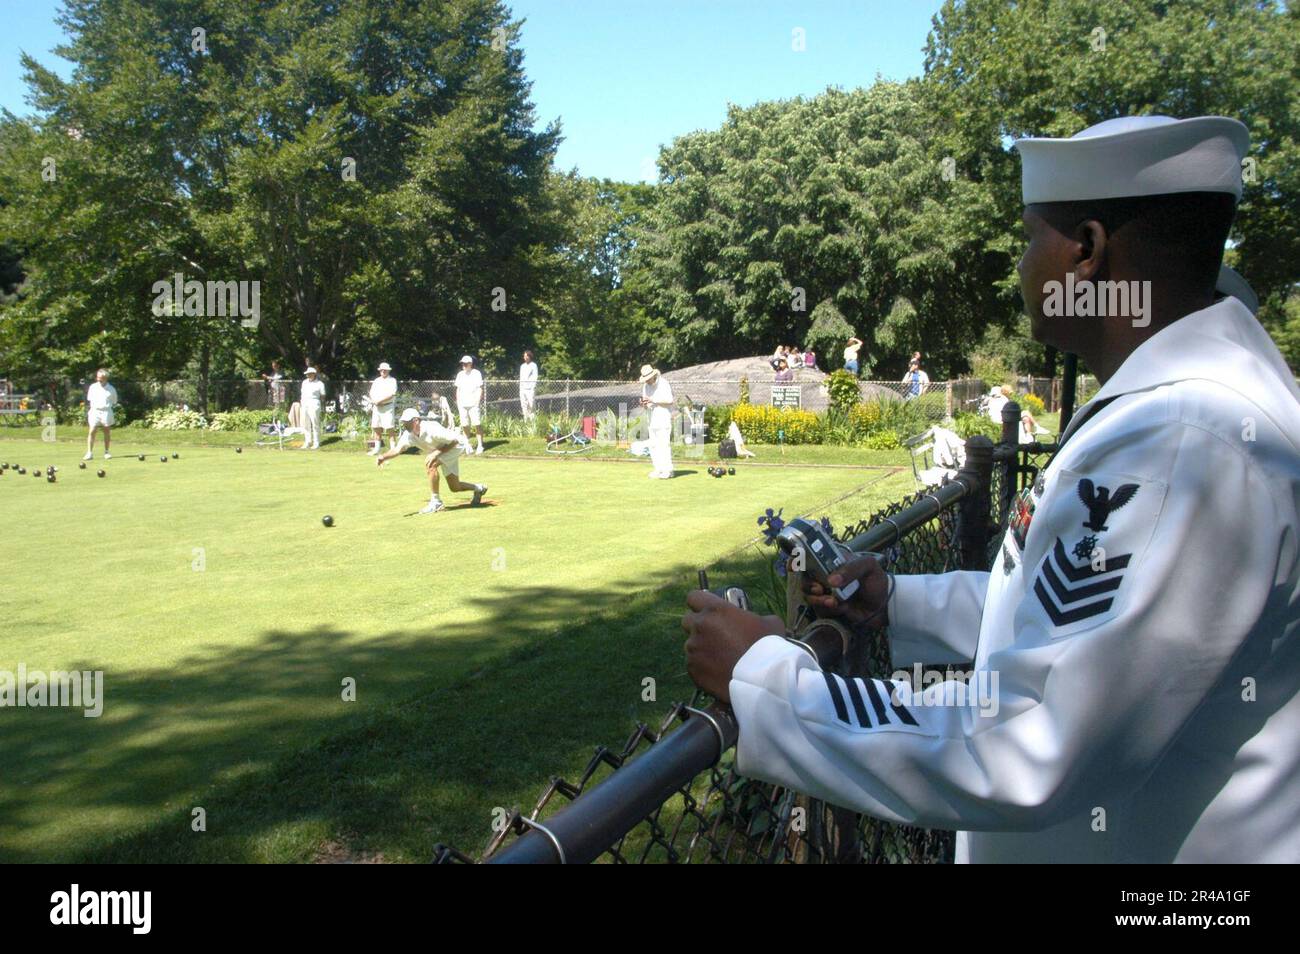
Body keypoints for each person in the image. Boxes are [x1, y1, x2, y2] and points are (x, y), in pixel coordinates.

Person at [681, 115, 1300, 862]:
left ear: (1086, 254)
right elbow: (1073, 617)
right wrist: (902, 603)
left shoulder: (1182, 443)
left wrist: (767, 680)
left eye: (1028, 239)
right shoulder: (1192, 413)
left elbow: (1028, 746)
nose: (1019, 268)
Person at [376, 408, 487, 514]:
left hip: (456, 445)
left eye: (407, 422)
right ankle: (478, 488)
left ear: (416, 420)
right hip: (445, 449)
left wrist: (436, 452)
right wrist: (383, 457)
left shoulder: (431, 429)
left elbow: (455, 441)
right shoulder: (408, 435)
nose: (404, 424)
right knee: (454, 487)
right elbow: (397, 449)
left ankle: (436, 502)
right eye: (403, 422)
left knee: (431, 463)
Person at [639, 364, 674, 479]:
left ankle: (668, 470)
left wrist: (653, 400)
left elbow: (669, 400)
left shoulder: (664, 383)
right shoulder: (645, 386)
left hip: (663, 418)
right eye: (646, 379)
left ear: (653, 376)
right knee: (653, 445)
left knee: (664, 444)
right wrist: (644, 404)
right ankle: (658, 469)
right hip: (651, 418)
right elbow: (647, 403)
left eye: (648, 379)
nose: (647, 381)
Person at [83, 368, 117, 460]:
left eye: (100, 378)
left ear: (106, 378)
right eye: (97, 377)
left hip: (106, 411)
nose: (98, 379)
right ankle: (89, 453)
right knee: (92, 430)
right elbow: (89, 399)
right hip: (94, 411)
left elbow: (114, 401)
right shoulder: (93, 387)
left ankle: (106, 452)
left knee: (106, 431)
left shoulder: (111, 389)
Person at [454, 355, 485, 454]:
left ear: (470, 364)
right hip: (462, 404)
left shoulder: (476, 373)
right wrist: (458, 401)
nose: (463, 365)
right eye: (462, 363)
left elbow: (480, 388)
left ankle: (480, 445)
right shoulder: (460, 375)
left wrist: (477, 401)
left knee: (477, 424)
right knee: (465, 425)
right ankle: (467, 445)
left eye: (465, 363)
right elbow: (458, 389)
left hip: (473, 404)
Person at [367, 362, 398, 456]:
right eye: (382, 370)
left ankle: (393, 450)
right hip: (377, 407)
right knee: (377, 428)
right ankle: (376, 449)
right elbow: (371, 393)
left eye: (385, 370)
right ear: (379, 370)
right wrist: (374, 401)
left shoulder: (392, 380)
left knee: (390, 428)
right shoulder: (376, 381)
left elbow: (392, 394)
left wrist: (380, 401)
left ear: (388, 371)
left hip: (387, 407)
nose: (383, 371)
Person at [300, 367, 326, 449]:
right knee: (305, 423)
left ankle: (316, 442)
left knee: (315, 423)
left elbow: (323, 396)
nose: (308, 375)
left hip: (314, 403)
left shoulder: (320, 384)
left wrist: (320, 405)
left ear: (314, 374)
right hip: (304, 403)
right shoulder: (304, 382)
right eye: (307, 374)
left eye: (310, 373)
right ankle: (307, 441)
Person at [519, 350, 538, 421]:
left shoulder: (533, 365)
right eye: (524, 356)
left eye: (526, 356)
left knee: (531, 405)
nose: (525, 357)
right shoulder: (522, 366)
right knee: (524, 405)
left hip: (530, 389)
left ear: (530, 356)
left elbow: (535, 377)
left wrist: (533, 387)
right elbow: (521, 378)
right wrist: (520, 388)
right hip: (523, 389)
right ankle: (525, 420)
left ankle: (532, 420)